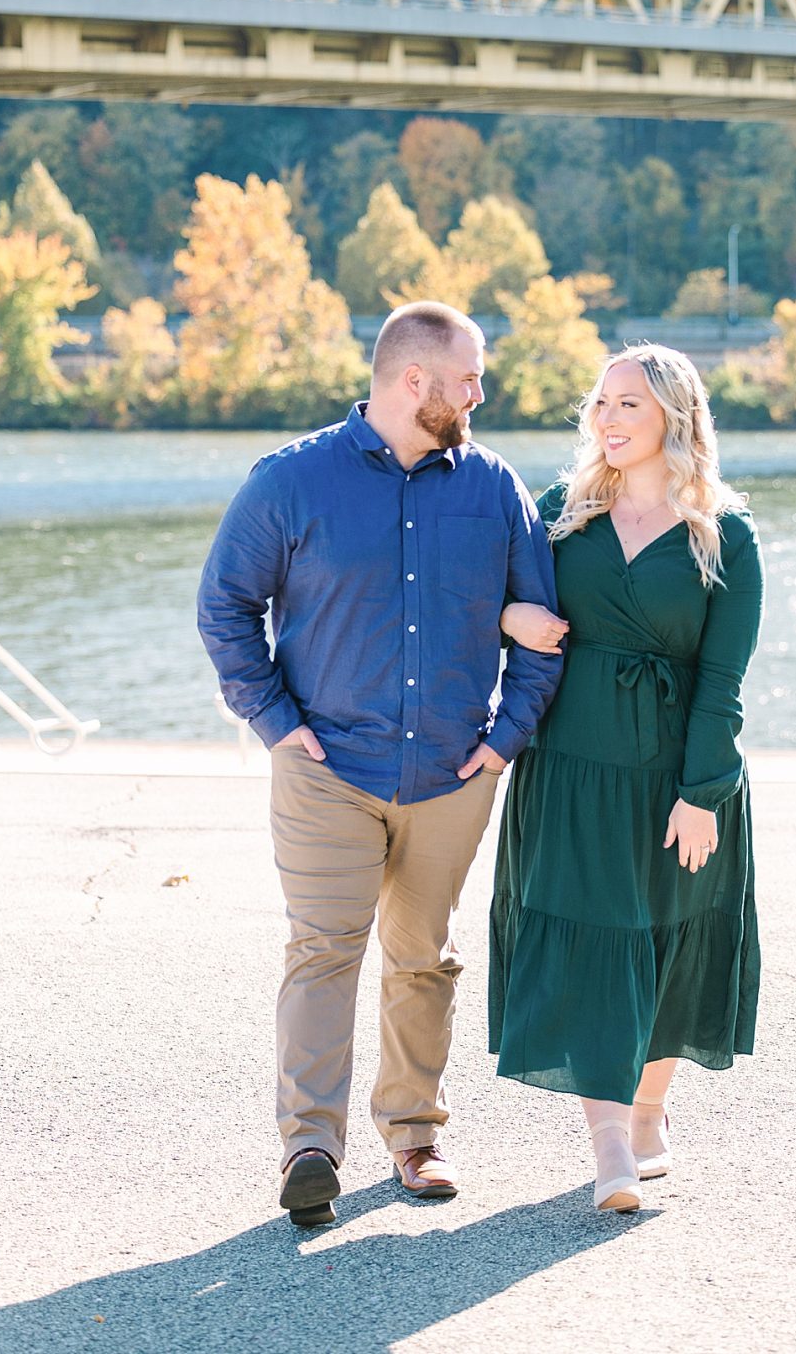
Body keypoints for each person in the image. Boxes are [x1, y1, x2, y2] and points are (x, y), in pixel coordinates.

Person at [198, 301, 563, 1228]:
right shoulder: (291, 481)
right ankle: (309, 1147)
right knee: (324, 950)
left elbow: (542, 630)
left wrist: (504, 740)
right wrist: (274, 721)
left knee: (422, 960)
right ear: (415, 383)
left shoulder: (495, 489)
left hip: (453, 772)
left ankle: (413, 1135)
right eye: (469, 377)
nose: (481, 393)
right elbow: (225, 608)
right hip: (327, 768)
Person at [490, 344, 764, 1213]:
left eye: (628, 406)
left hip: (678, 775)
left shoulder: (725, 534)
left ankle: (648, 1113)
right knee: (590, 945)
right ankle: (608, 1145)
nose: (606, 420)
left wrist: (703, 792)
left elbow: (724, 678)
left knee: (670, 939)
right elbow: (485, 602)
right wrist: (508, 614)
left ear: (674, 420)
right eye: (601, 404)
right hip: (571, 768)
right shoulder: (560, 515)